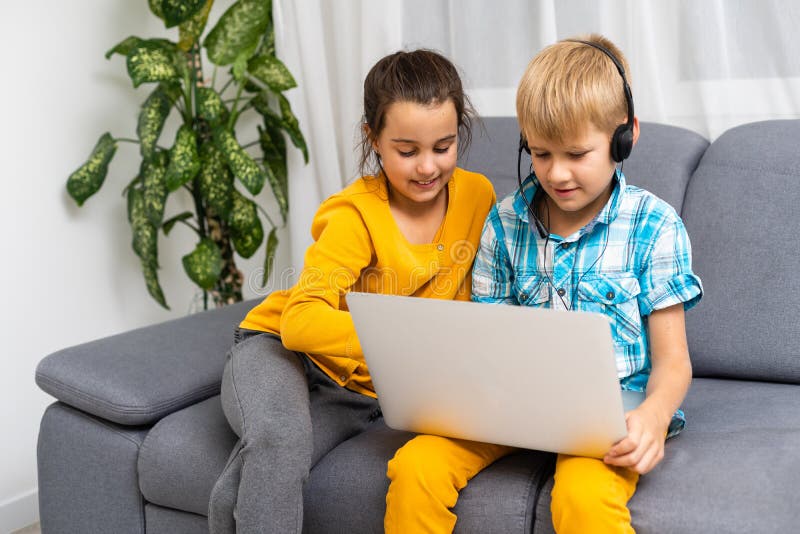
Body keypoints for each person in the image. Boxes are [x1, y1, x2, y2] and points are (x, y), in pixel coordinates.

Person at [385, 34, 703, 533]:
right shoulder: (504, 223)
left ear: (625, 137)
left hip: (608, 418)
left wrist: (655, 417)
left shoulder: (655, 226)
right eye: (540, 153)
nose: (557, 173)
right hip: (508, 407)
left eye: (577, 154)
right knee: (415, 467)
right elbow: (484, 340)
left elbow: (674, 362)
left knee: (583, 497)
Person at [207, 48, 496, 533]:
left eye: (443, 147)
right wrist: (402, 342)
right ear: (374, 139)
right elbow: (300, 322)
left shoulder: (477, 196)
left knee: (257, 472)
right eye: (407, 151)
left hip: (359, 386)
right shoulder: (353, 215)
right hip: (280, 349)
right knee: (280, 438)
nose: (427, 167)